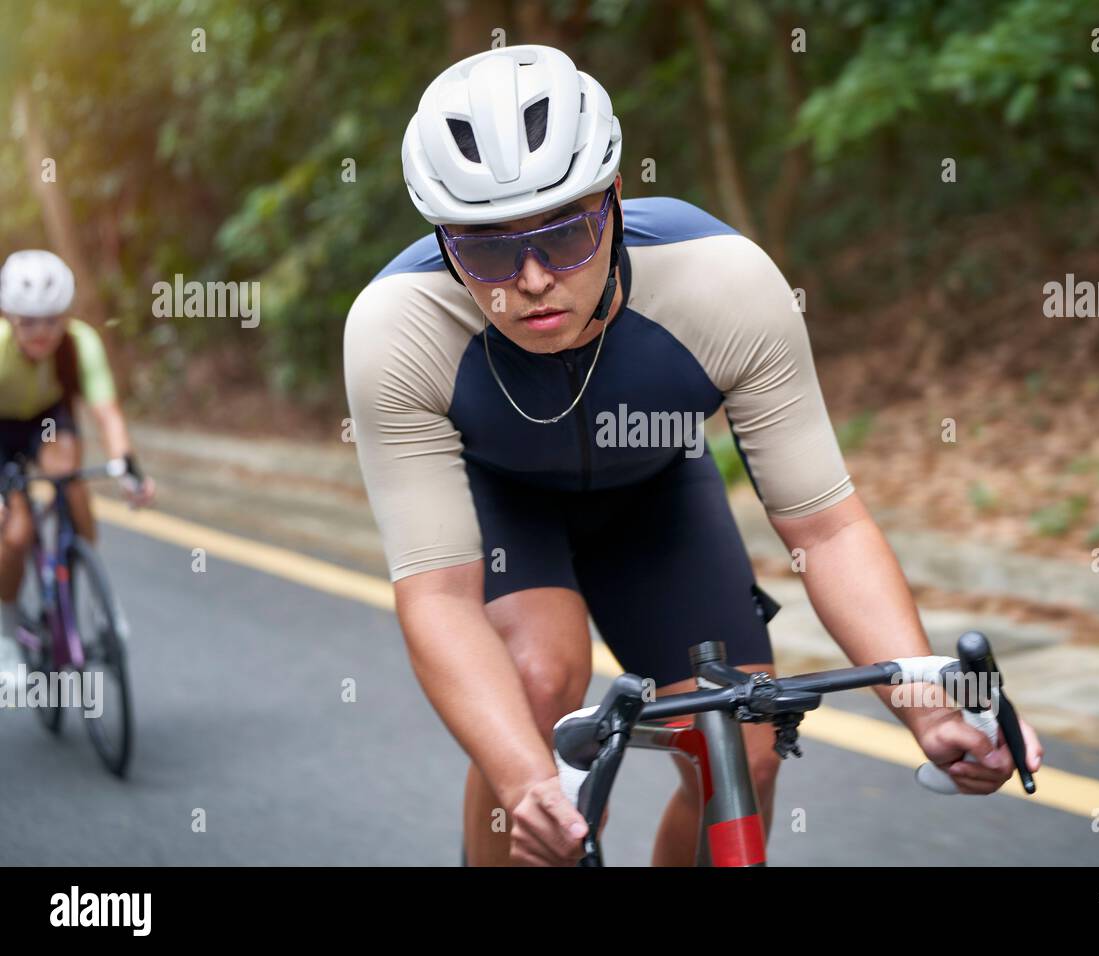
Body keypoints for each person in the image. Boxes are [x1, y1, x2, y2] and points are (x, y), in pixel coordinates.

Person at [344, 45, 1043, 866]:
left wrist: (927, 704)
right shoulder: (396, 331)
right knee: (537, 685)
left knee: (741, 752)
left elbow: (826, 529)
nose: (531, 279)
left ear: (612, 201)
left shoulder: (724, 283)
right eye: (489, 251)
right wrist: (523, 779)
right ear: (443, 242)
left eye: (565, 233)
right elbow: (439, 599)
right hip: (502, 503)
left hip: (655, 491)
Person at [0, 249, 155, 680]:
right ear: (9, 316)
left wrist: (129, 470)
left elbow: (107, 414)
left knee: (71, 481)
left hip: (48, 420)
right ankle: (7, 634)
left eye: (52, 319)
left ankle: (91, 589)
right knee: (14, 534)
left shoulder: (81, 343)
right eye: (28, 321)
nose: (41, 333)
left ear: (65, 316)